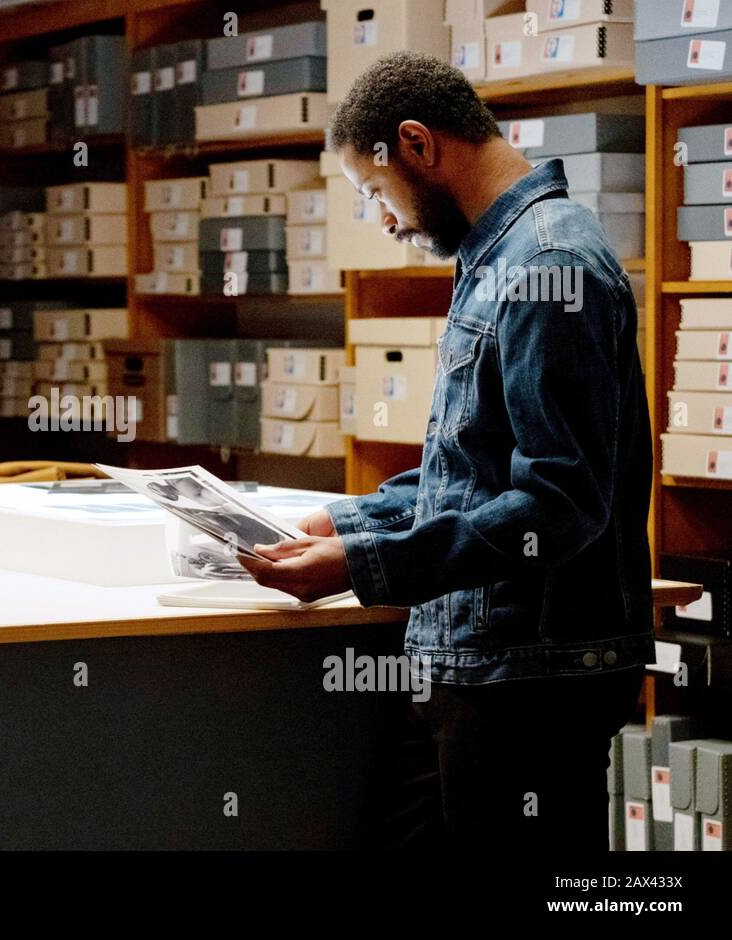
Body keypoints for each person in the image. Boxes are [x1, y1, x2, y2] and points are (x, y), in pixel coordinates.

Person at [239, 52, 653, 850]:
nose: (381, 217)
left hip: (529, 676)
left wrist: (366, 568)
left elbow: (558, 506)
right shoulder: (497, 254)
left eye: (373, 190)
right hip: (476, 658)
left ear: (417, 145)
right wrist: (347, 522)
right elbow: (475, 470)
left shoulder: (547, 266)